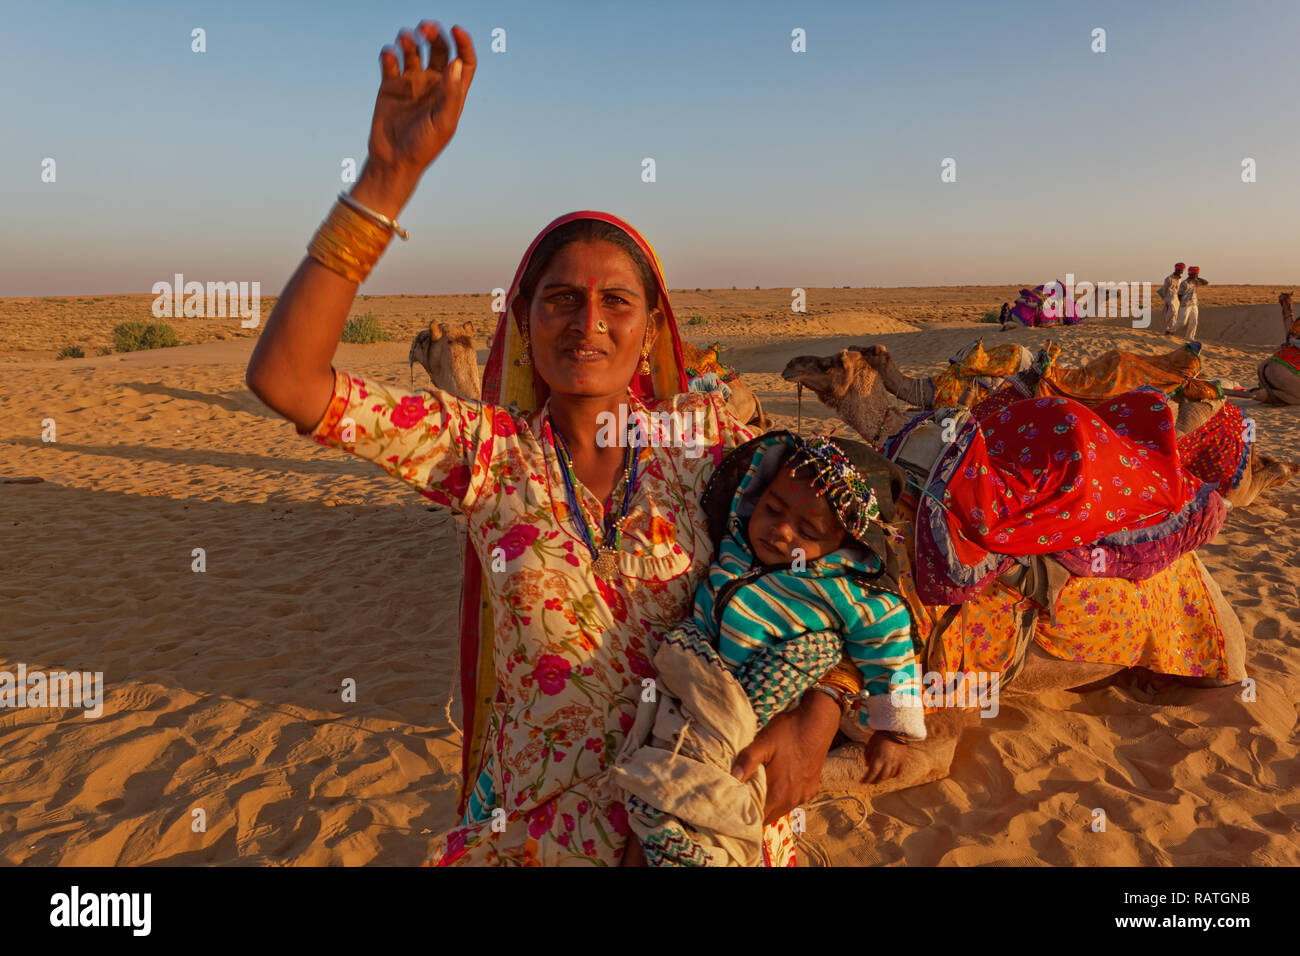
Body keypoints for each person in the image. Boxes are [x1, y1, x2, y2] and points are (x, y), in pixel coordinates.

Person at [244, 21, 848, 866]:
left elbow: (853, 582)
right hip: (538, 835)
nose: (588, 324)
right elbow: (286, 379)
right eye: (561, 300)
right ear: (524, 325)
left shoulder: (713, 447)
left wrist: (817, 718)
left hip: (707, 827)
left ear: (650, 328)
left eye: (616, 303)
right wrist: (385, 181)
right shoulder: (481, 453)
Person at [613, 432, 924, 866]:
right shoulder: (738, 544)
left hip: (749, 714)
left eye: (807, 530)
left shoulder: (849, 593)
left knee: (695, 800)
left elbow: (891, 651)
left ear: (847, 542)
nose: (780, 530)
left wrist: (893, 731)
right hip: (690, 685)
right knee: (655, 783)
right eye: (773, 508)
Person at [1175, 265, 1209, 340]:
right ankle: (1170, 330)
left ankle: (1190, 337)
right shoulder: (1184, 283)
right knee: (1182, 322)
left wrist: (1198, 277)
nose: (1195, 276)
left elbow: (1206, 283)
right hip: (1185, 305)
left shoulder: (1195, 282)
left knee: (1194, 322)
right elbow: (1179, 294)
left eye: (1196, 274)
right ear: (1190, 274)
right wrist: (1182, 303)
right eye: (1194, 274)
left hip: (1194, 304)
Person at [1161, 262, 1185, 335]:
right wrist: (1166, 301)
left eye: (1182, 271)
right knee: (1171, 314)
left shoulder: (1180, 280)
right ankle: (1170, 330)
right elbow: (1164, 290)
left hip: (1176, 300)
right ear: (1176, 270)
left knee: (1175, 315)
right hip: (1169, 299)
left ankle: (1170, 331)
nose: (1180, 272)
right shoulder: (1169, 279)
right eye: (1179, 271)